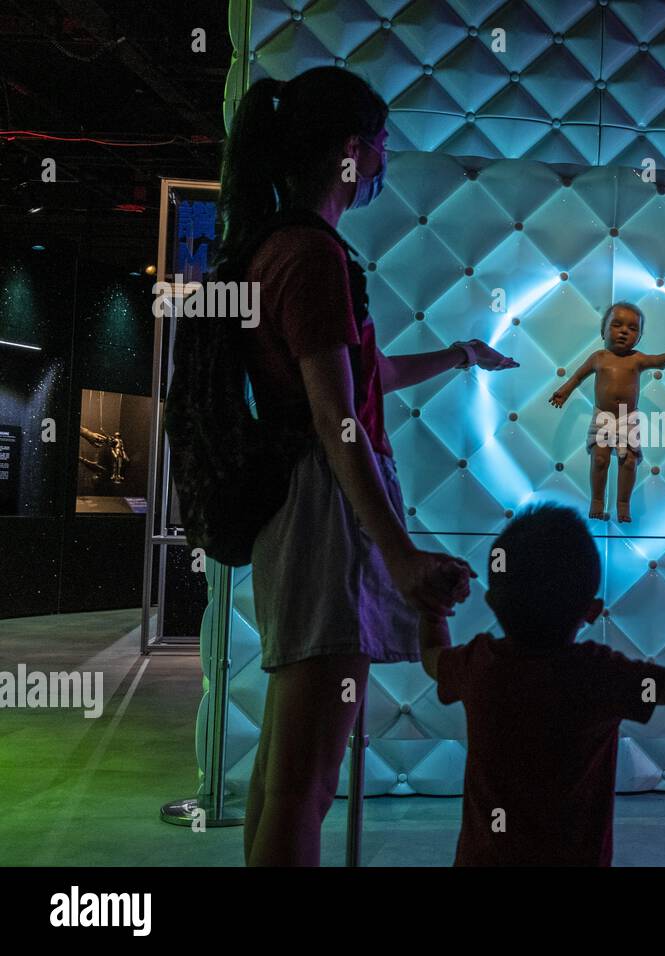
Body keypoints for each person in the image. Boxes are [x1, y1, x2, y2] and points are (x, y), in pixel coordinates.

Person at [215, 66, 518, 865]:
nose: (383, 164)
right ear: (351, 150)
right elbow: (336, 415)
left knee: (287, 780)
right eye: (380, 146)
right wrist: (395, 549)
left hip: (307, 513)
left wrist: (457, 355)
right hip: (331, 517)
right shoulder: (312, 257)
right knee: (304, 788)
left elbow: (363, 379)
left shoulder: (275, 247)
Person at [420, 502, 665, 865]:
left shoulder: (480, 665)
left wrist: (434, 604)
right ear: (592, 610)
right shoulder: (598, 674)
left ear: (492, 600)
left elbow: (431, 655)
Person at [549, 303, 665, 522]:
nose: (624, 331)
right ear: (603, 331)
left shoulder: (637, 359)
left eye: (632, 328)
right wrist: (564, 391)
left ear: (639, 336)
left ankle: (623, 503)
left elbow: (658, 362)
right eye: (617, 325)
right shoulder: (598, 357)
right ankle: (597, 500)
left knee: (628, 461)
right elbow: (577, 377)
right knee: (599, 459)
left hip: (628, 417)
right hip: (602, 416)